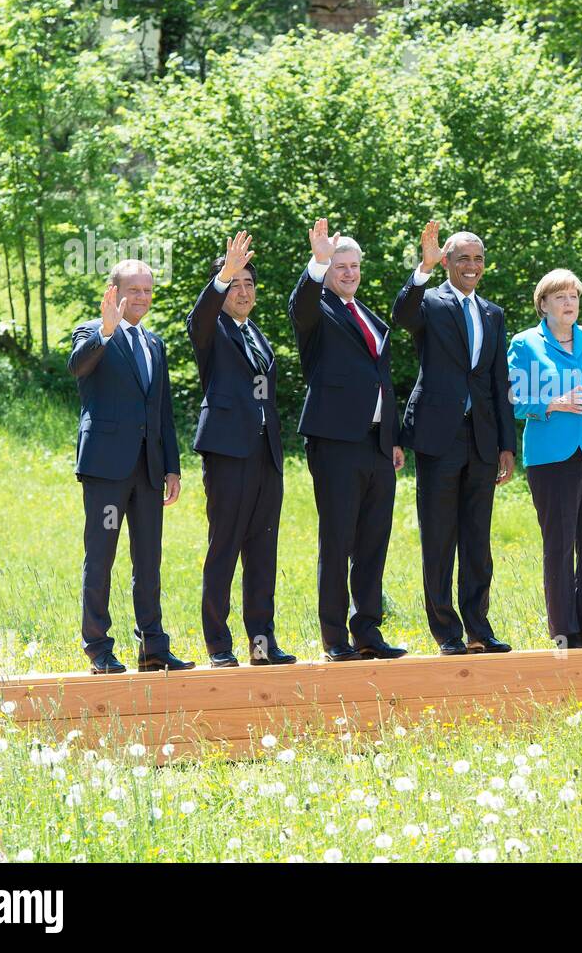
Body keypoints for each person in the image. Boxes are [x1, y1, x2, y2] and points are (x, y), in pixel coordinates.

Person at [392, 221, 516, 655]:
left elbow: (498, 381)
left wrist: (506, 443)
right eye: (462, 257)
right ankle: (447, 631)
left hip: (481, 439)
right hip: (437, 437)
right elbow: (401, 316)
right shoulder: (429, 302)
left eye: (478, 259)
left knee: (477, 540)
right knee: (440, 537)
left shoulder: (493, 314)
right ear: (446, 261)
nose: (472, 265)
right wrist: (420, 270)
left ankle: (479, 626)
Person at [68, 259, 193, 674]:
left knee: (149, 560)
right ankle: (98, 648)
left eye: (147, 290)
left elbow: (163, 412)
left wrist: (171, 467)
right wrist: (105, 330)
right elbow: (78, 366)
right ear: (114, 292)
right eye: (133, 290)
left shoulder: (155, 343)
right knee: (100, 556)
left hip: (148, 470)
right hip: (106, 468)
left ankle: (153, 646)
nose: (141, 297)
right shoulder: (92, 331)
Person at [290, 219, 407, 661]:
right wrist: (317, 262)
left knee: (373, 541)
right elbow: (299, 304)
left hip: (377, 444)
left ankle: (368, 633)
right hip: (336, 441)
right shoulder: (317, 309)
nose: (349, 273)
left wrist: (392, 437)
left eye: (354, 266)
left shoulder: (370, 318)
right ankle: (335, 638)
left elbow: (384, 379)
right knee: (338, 541)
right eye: (341, 266)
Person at [186, 231, 295, 667]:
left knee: (262, 551)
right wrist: (222, 276)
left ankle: (262, 645)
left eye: (248, 284)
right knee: (224, 547)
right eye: (234, 285)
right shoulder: (211, 332)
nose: (243, 292)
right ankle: (219, 646)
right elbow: (199, 317)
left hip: (265, 456)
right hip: (228, 455)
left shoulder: (258, 336)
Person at [508, 268, 582, 650]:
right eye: (560, 297)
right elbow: (515, 399)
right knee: (559, 543)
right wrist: (552, 403)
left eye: (573, 296)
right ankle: (564, 630)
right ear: (543, 304)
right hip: (551, 456)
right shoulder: (526, 344)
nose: (569, 303)